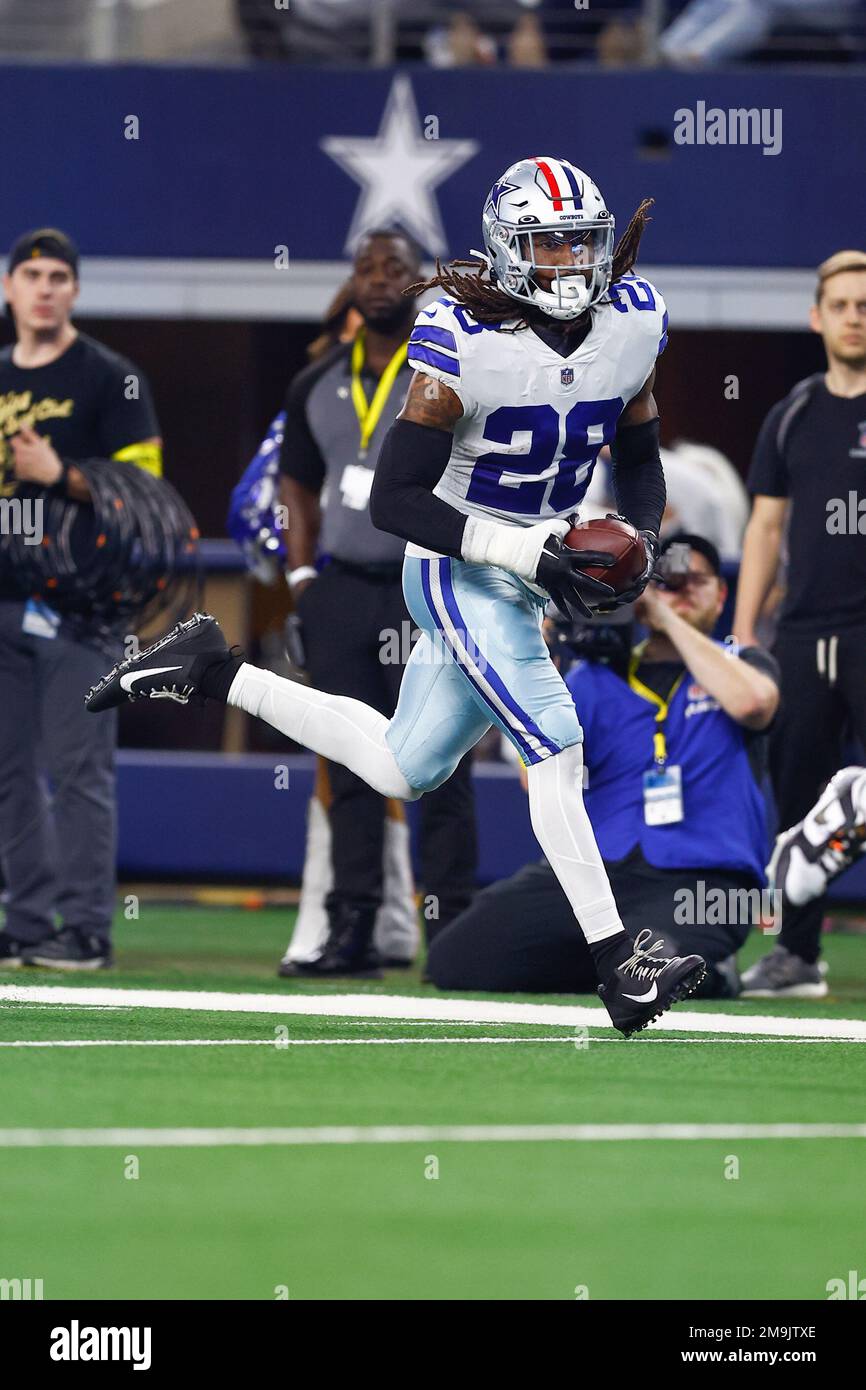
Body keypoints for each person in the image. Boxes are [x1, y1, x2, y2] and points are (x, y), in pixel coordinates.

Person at [85, 156, 708, 1037]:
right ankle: (622, 966)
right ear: (507, 252)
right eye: (549, 244)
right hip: (458, 559)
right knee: (554, 747)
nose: (570, 262)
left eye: (581, 243)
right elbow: (396, 501)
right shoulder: (463, 335)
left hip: (531, 564)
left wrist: (639, 538)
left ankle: (213, 671)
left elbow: (639, 456)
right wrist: (523, 548)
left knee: (403, 768)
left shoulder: (633, 324)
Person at [427, 535, 779, 996]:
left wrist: (665, 616)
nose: (683, 589)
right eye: (668, 582)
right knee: (456, 960)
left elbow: (754, 704)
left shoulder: (741, 663)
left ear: (721, 593)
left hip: (700, 879)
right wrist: (543, 661)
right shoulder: (593, 674)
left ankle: (701, 971)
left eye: (697, 580)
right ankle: (625, 968)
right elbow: (534, 777)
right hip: (599, 869)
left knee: (656, 965)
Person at [278, 227, 478, 976]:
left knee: (442, 761)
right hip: (341, 592)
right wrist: (301, 580)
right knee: (349, 761)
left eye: (394, 266)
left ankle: (454, 930)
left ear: (422, 280)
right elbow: (295, 482)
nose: (376, 278)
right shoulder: (316, 381)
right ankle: (350, 928)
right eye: (364, 266)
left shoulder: (449, 371)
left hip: (425, 588)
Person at [0, 228, 162, 969]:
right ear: (9, 288)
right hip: (3, 599)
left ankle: (89, 930)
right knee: (7, 772)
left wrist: (58, 472)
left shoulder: (110, 378)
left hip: (81, 606)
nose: (43, 287)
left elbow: (148, 497)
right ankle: (27, 921)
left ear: (74, 290)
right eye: (30, 273)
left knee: (78, 770)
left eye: (58, 275)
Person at [733, 249, 866, 998]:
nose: (854, 316)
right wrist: (747, 634)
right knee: (798, 799)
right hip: (804, 636)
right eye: (842, 304)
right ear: (818, 317)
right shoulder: (791, 417)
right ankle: (796, 957)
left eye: (865, 305)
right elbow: (763, 529)